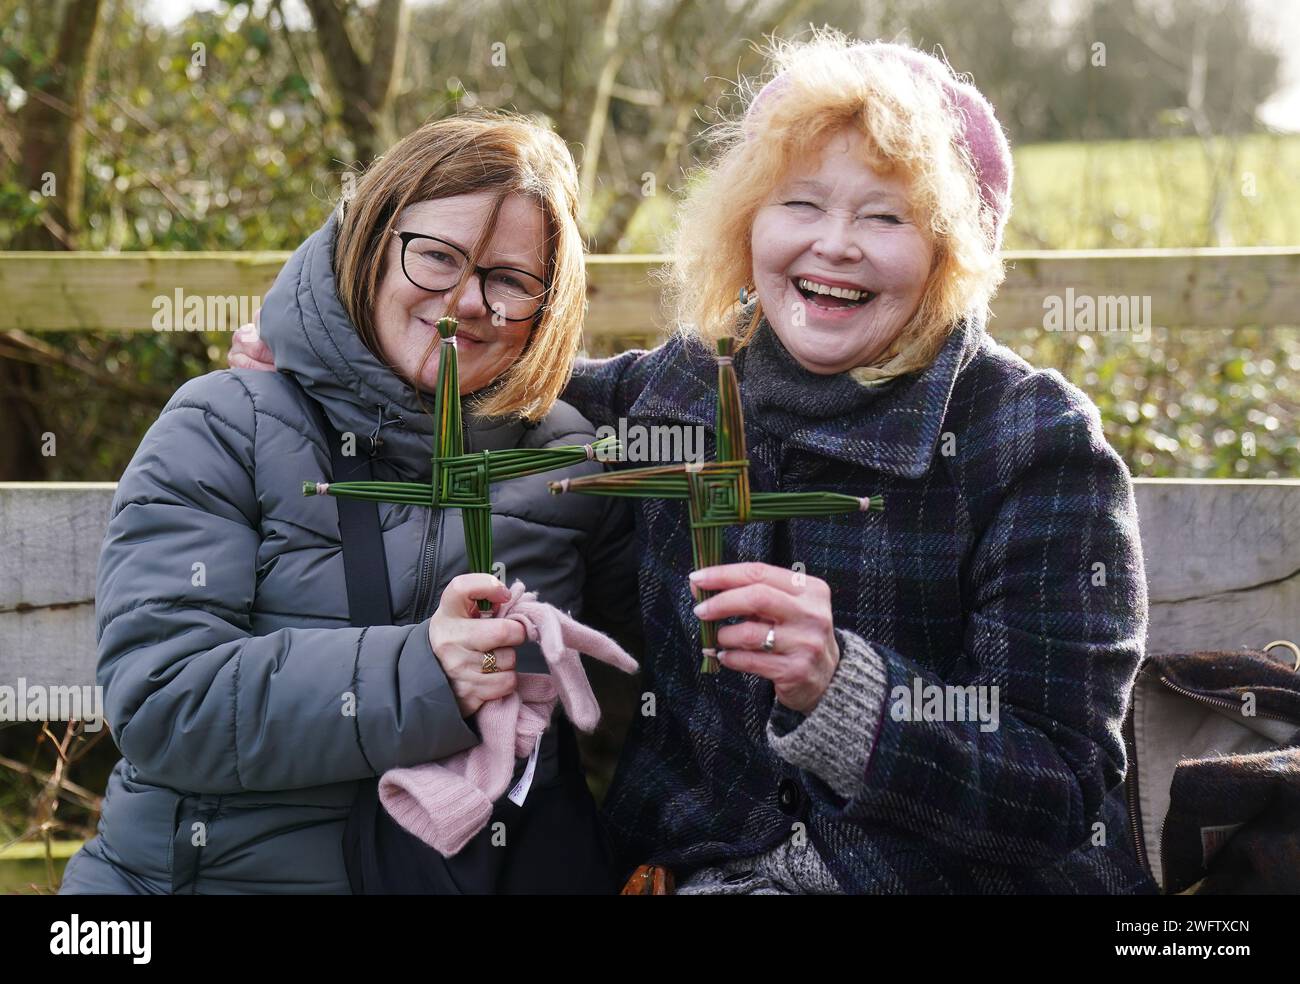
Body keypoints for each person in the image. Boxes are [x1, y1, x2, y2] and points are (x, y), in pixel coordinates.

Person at [231, 35, 1156, 894]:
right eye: (800, 203)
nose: (834, 243)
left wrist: (847, 690)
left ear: (951, 256)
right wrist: (314, 366)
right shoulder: (677, 392)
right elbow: (488, 384)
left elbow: (1061, 790)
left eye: (887, 216)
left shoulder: (1031, 442)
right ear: (746, 225)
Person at [60, 111, 638, 894]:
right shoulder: (228, 422)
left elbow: (655, 682)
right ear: (371, 248)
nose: (466, 301)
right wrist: (424, 675)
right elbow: (166, 703)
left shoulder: (572, 465)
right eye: (436, 256)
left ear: (549, 303)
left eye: (508, 281)